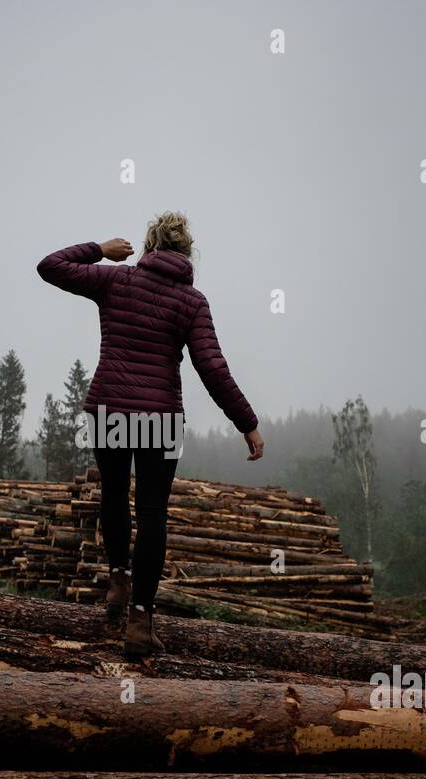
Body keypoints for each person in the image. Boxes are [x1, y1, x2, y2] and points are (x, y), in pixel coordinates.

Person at [37, 211, 263, 656]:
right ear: (186, 252)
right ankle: (140, 619)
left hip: (109, 410)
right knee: (154, 513)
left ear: (148, 245)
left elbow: (50, 266)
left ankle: (118, 578)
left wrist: (99, 250)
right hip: (160, 419)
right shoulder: (192, 302)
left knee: (115, 497)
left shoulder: (115, 281)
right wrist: (247, 423)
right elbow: (212, 368)